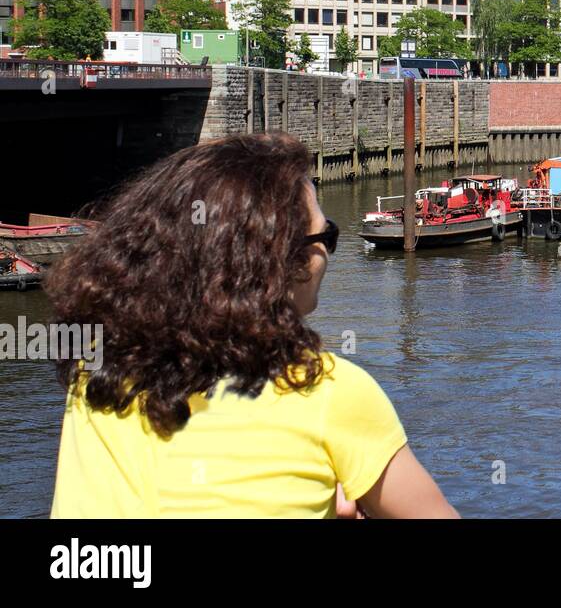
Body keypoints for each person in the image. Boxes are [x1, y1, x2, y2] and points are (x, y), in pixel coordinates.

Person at [46, 132, 458, 519]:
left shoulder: (96, 369)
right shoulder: (327, 391)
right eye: (326, 237)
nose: (328, 256)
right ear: (282, 262)